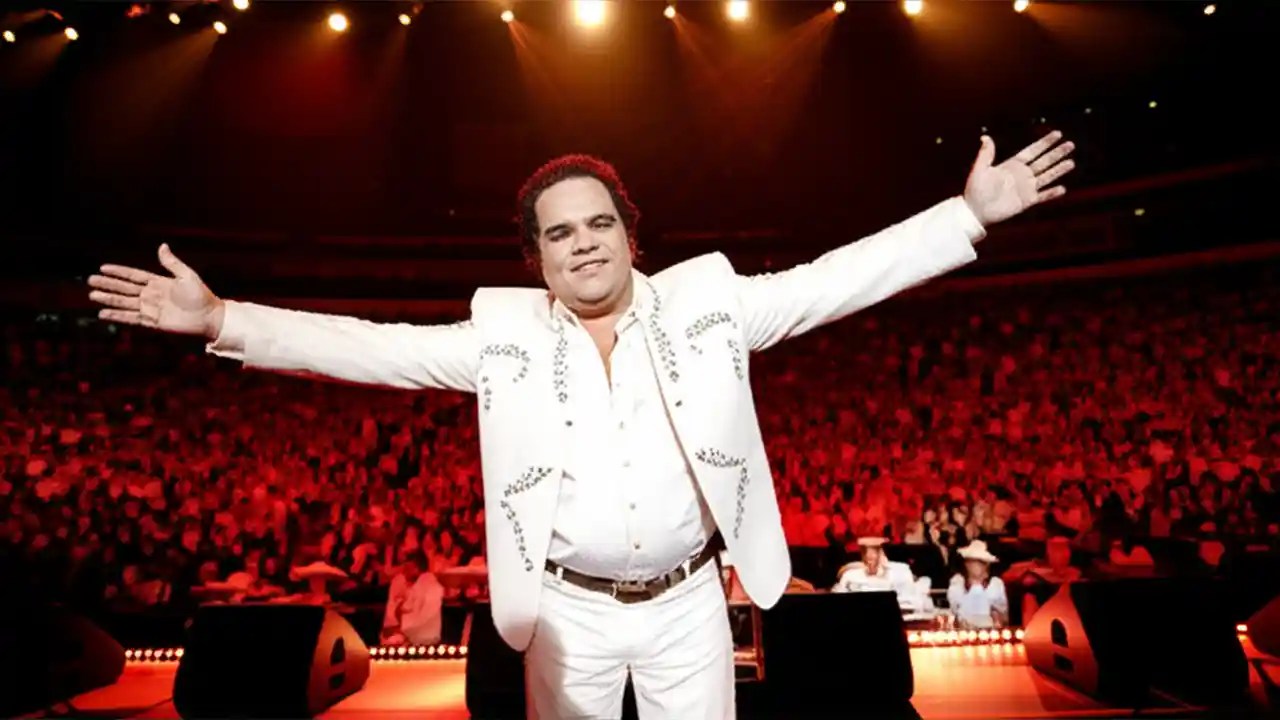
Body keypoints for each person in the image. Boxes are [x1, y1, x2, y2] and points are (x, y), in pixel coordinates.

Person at [87, 132, 1074, 719]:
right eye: (557, 232)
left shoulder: (709, 304)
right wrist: (222, 320)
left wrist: (965, 216)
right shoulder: (498, 336)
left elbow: (830, 284)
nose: (581, 243)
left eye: (596, 222)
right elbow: (369, 345)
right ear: (536, 258)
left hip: (691, 606)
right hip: (564, 614)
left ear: (629, 233)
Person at [382, 553, 445, 647]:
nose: (404, 573)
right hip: (414, 639)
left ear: (417, 569)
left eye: (407, 569)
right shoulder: (413, 586)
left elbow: (421, 616)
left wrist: (401, 629)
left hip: (425, 641)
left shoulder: (430, 585)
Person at [947, 540, 1009, 629]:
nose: (975, 565)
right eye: (971, 561)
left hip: (989, 631)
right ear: (966, 563)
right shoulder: (958, 583)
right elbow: (954, 613)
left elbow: (1002, 616)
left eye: (980, 562)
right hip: (963, 631)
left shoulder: (995, 584)